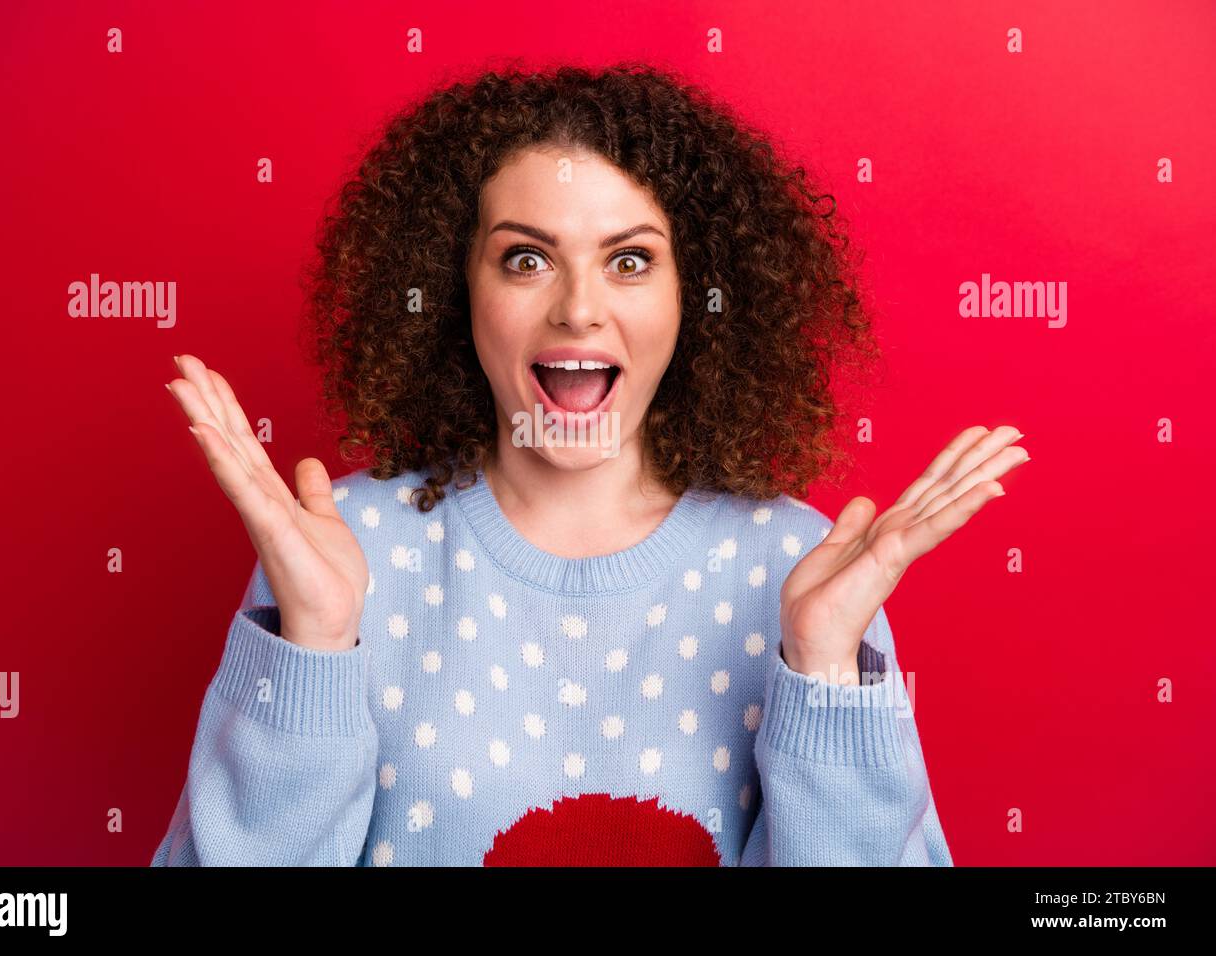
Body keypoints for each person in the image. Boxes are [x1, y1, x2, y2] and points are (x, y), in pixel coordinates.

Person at [152, 62, 1027, 866]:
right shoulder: (339, 551)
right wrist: (310, 652)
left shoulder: (805, 571)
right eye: (526, 259)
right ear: (459, 289)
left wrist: (826, 670)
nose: (579, 309)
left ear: (698, 297)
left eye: (631, 261)